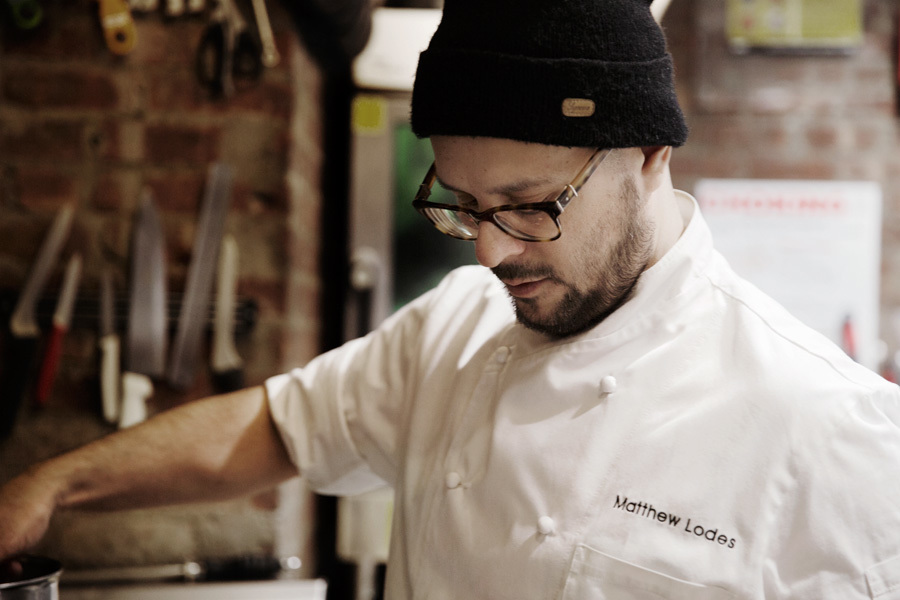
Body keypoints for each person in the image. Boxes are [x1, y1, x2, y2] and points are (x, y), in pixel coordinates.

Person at [2, 0, 900, 597]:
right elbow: (281, 427)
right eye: (463, 208)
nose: (493, 250)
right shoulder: (456, 329)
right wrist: (52, 487)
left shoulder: (829, 434)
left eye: (530, 206)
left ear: (650, 157)